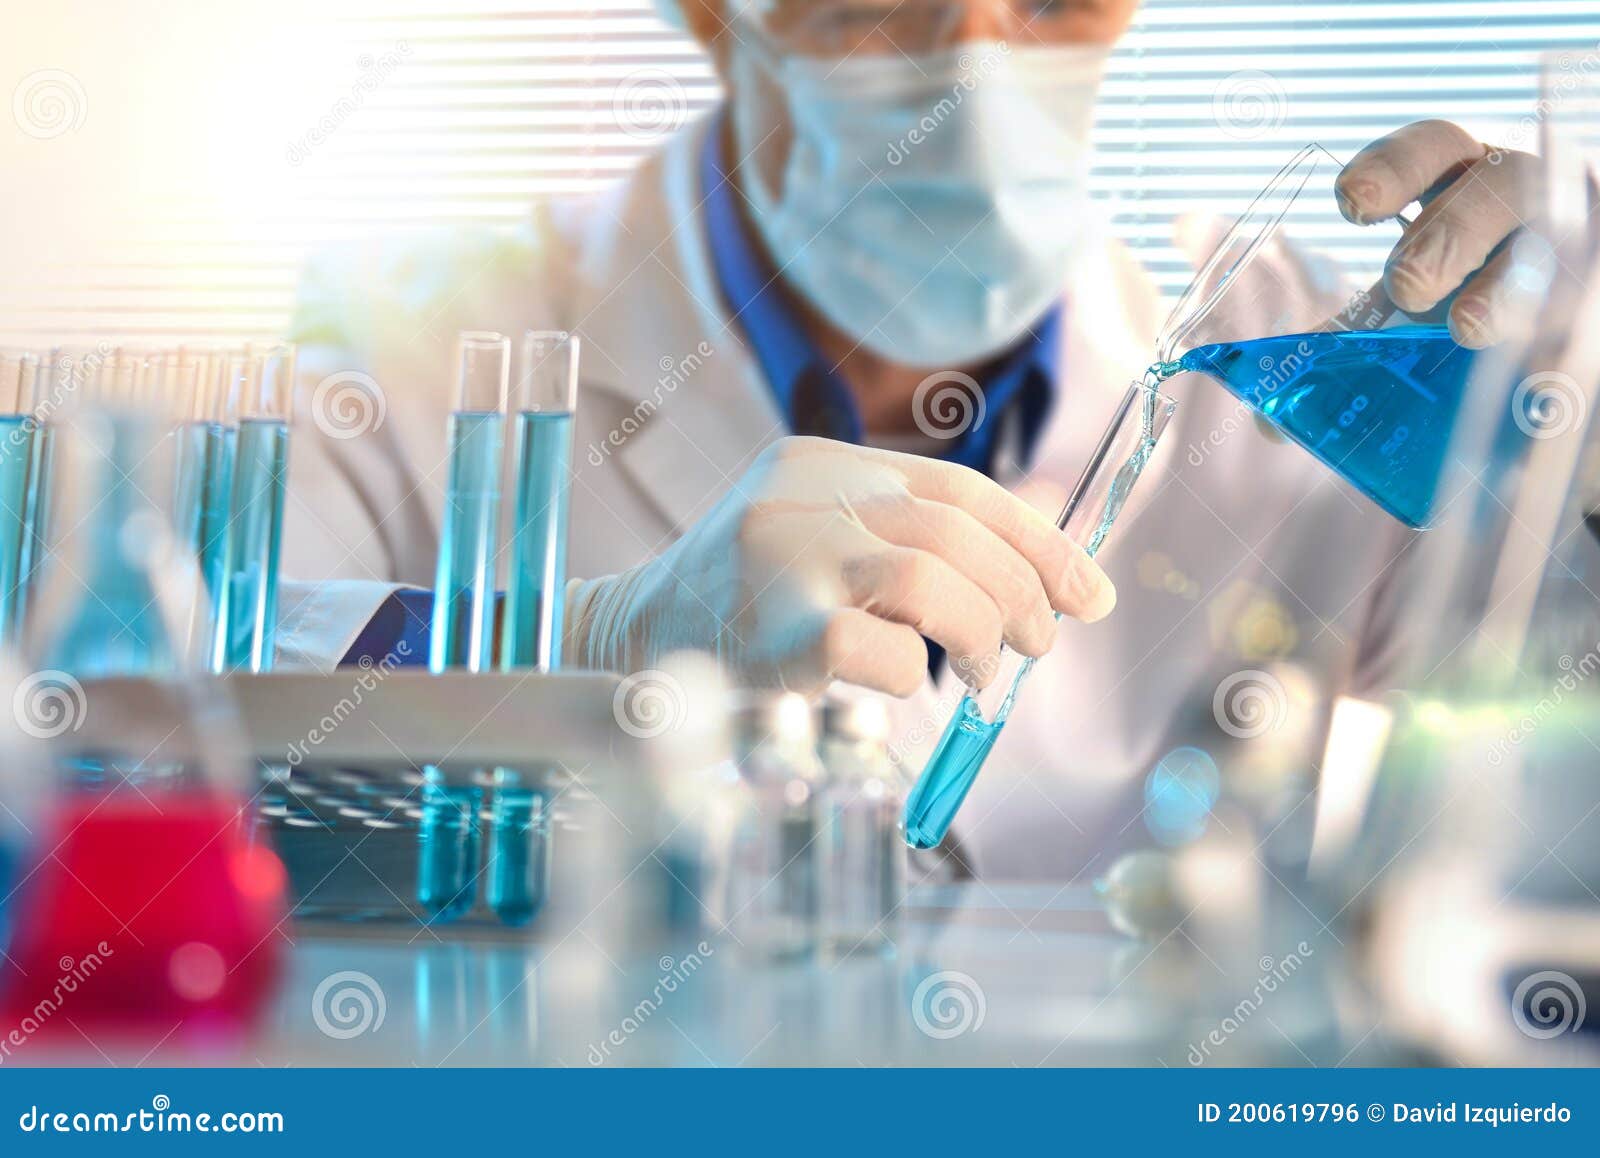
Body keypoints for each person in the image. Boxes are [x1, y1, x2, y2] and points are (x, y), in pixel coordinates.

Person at [279, 0, 1541, 877]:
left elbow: (1546, 765)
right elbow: (182, 716)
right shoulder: (415, 342)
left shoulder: (1320, 370)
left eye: (1051, 3)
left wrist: (1570, 440)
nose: (976, 69)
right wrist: (588, 642)